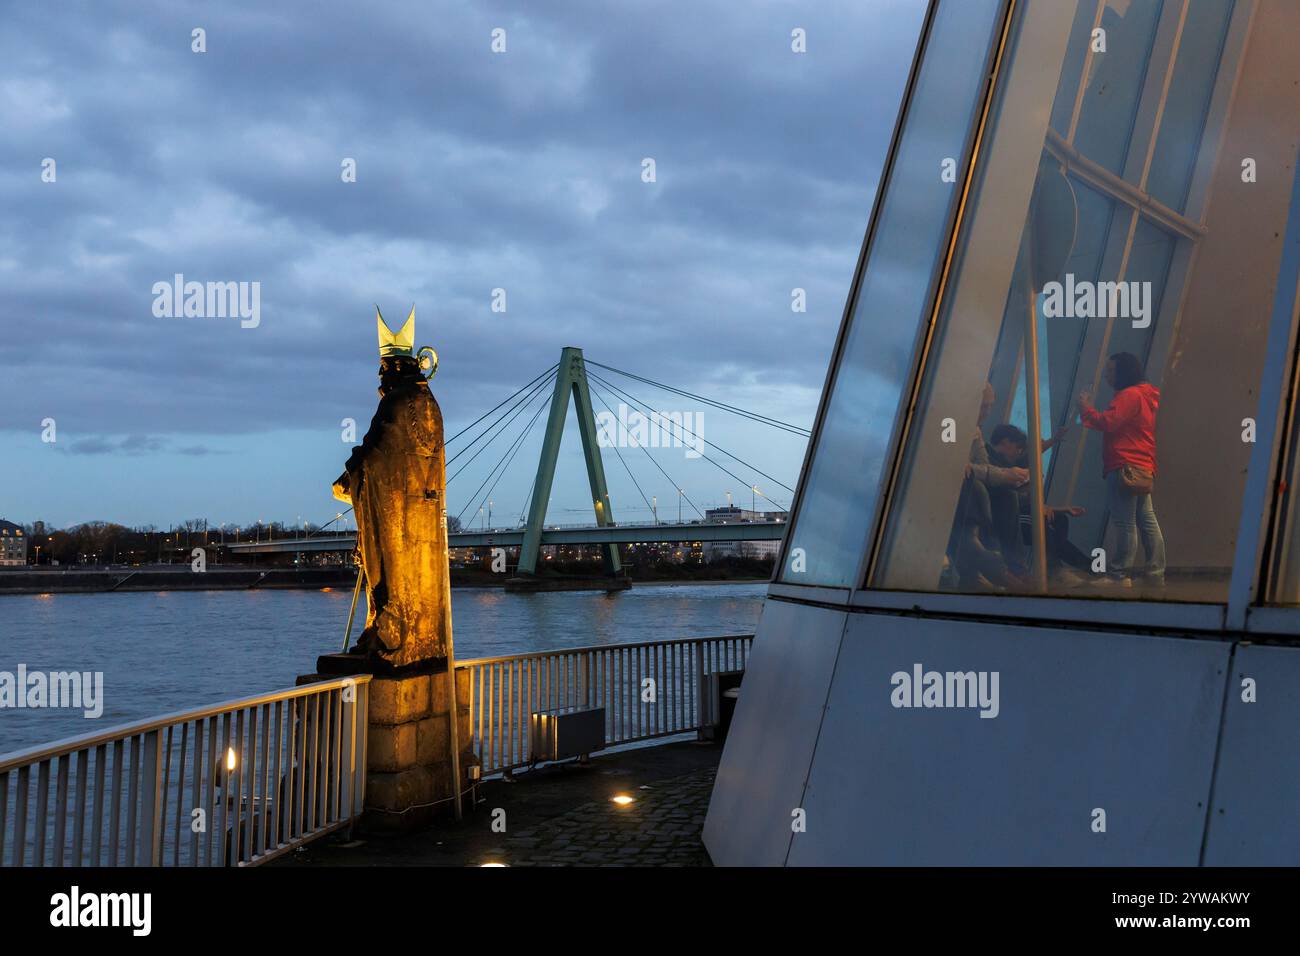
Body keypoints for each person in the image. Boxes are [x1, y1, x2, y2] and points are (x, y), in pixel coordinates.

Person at [1078, 351, 1166, 587]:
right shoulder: (1147, 396)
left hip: (1124, 464)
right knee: (1147, 520)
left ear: (1123, 372)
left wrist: (1085, 408)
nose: (1107, 375)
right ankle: (1156, 574)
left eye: (1110, 371)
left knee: (1125, 523)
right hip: (1143, 464)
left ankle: (1120, 575)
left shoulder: (1129, 395)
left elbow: (1109, 422)